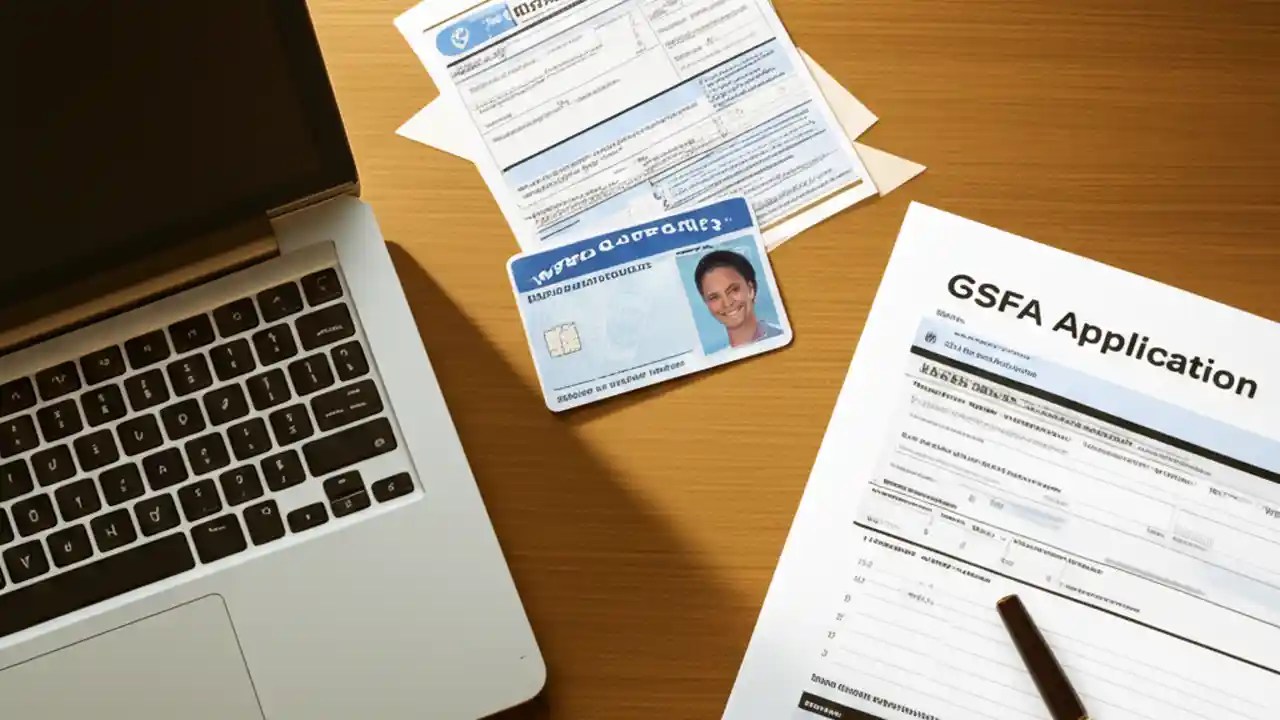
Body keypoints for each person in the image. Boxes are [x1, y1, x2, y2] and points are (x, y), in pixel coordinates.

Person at [693, 250, 783, 351]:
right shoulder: (719, 357)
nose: (727, 303)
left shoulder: (780, 337)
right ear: (706, 302)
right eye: (714, 297)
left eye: (734, 290)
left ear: (750, 289)